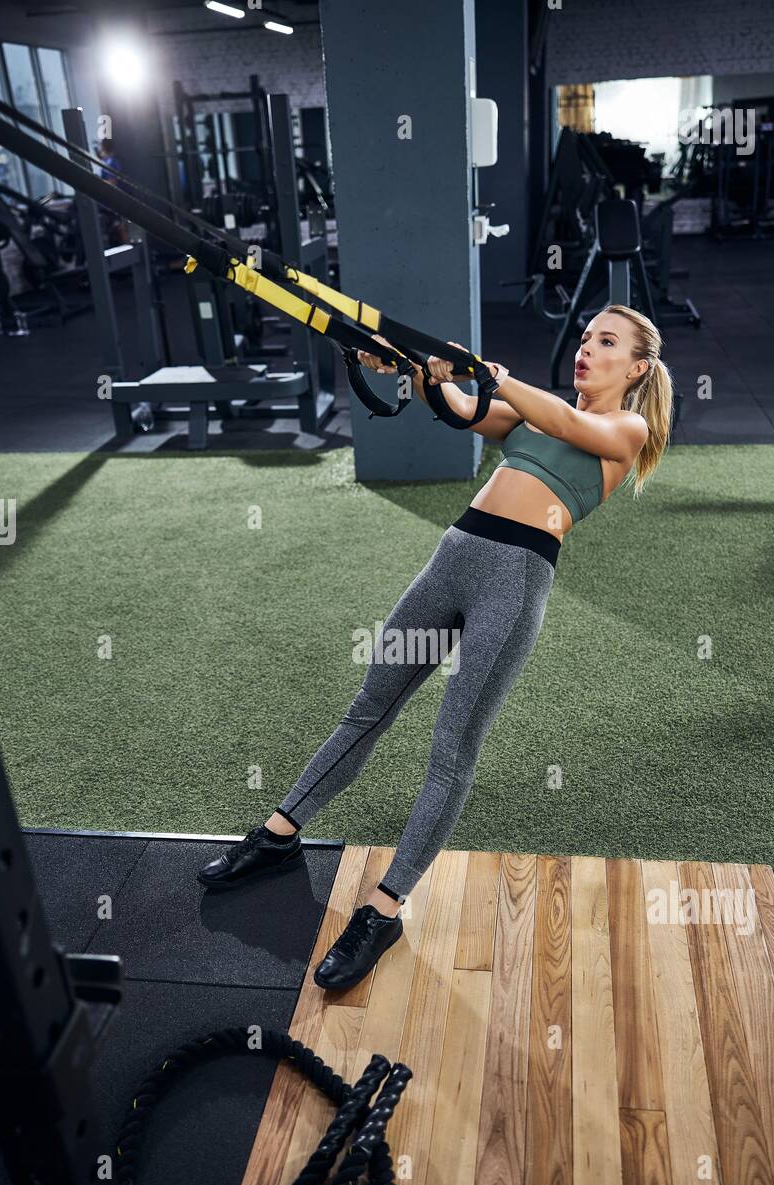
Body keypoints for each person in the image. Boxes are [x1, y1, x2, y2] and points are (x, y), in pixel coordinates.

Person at [198, 304, 674, 990]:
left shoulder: (623, 428)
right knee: (369, 707)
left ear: (635, 368)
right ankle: (276, 834)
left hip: (512, 583)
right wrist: (424, 371)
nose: (586, 349)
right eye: (585, 337)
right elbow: (462, 411)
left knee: (451, 748)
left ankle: (383, 909)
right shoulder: (532, 413)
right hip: (451, 559)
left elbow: (570, 423)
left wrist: (495, 377)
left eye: (605, 342)